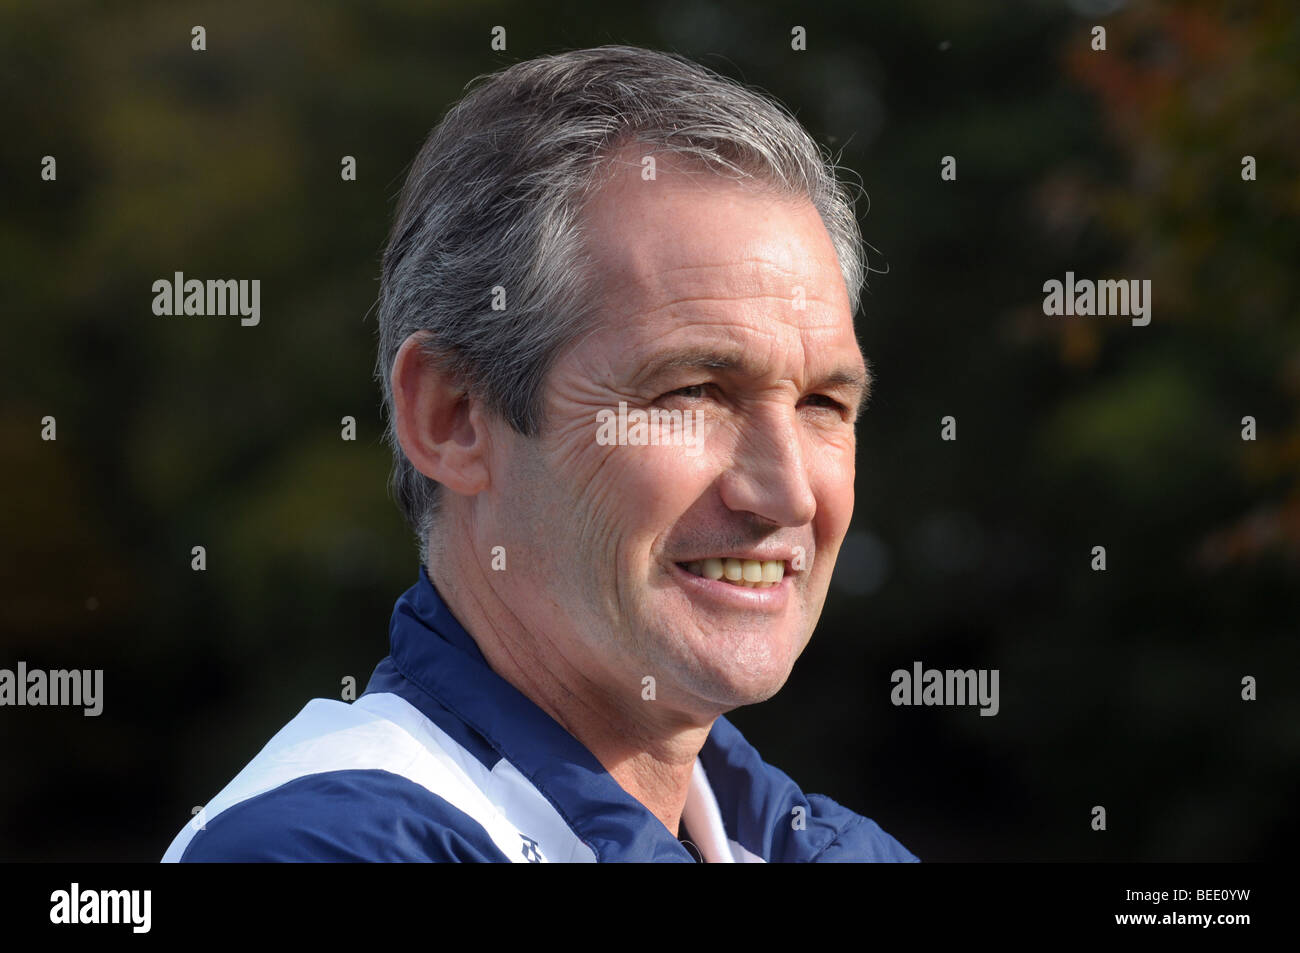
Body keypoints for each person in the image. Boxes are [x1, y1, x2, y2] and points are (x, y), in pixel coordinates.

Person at [162, 44, 916, 863]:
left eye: (821, 405)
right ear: (451, 416)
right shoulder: (314, 847)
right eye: (692, 391)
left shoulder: (808, 845)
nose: (789, 493)